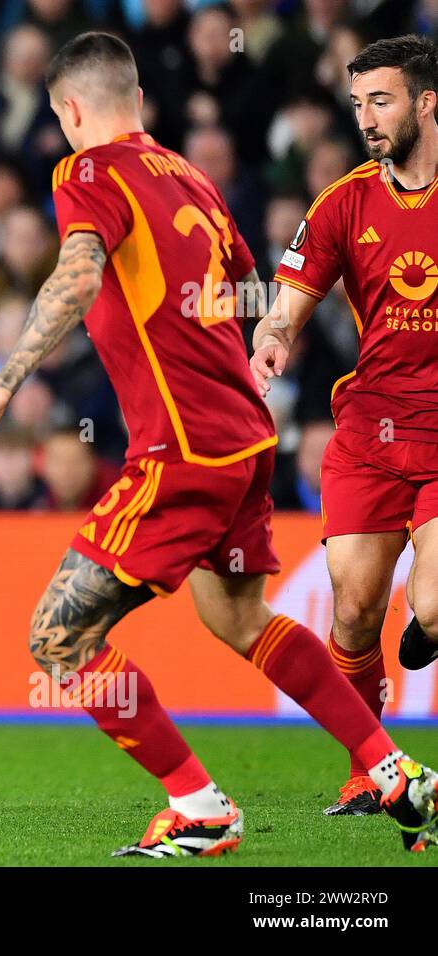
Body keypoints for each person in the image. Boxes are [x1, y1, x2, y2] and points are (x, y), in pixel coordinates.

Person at [0, 31, 438, 856]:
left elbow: (76, 272)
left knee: (56, 639)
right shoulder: (191, 179)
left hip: (181, 449)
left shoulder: (88, 172)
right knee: (242, 618)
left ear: (69, 110)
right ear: (136, 98)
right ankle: (392, 769)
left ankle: (201, 806)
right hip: (244, 438)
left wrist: (2, 383)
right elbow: (245, 290)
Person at [253, 34, 438, 816]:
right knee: (357, 612)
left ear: (428, 103)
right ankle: (373, 769)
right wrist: (271, 339)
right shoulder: (345, 202)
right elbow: (288, 303)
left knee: (429, 609)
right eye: (357, 103)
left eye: (382, 100)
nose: (365, 118)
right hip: (368, 433)